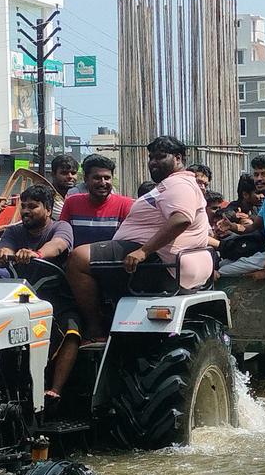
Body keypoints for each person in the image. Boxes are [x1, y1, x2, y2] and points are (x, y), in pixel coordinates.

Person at [66, 135, 212, 340]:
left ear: (178, 158)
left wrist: (144, 251)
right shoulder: (173, 184)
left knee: (77, 259)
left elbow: (181, 219)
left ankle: (94, 329)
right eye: (151, 157)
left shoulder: (178, 184)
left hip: (157, 262)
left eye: (160, 157)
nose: (153, 162)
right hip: (162, 260)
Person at [0, 184, 79, 401]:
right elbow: (6, 247)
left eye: (33, 206)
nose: (26, 211)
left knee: (72, 331)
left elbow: (58, 245)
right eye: (23, 206)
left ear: (48, 210)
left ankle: (55, 390)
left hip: (57, 299)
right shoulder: (14, 231)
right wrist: (4, 253)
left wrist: (37, 253)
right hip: (22, 300)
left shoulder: (61, 227)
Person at [59, 154, 133, 248]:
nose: (103, 183)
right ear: (86, 179)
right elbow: (62, 236)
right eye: (97, 178)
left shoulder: (125, 205)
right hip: (77, 261)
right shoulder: (71, 203)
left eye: (107, 178)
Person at [49, 154, 80, 218]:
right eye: (64, 173)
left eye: (73, 173)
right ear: (53, 174)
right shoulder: (44, 196)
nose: (70, 176)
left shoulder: (80, 195)